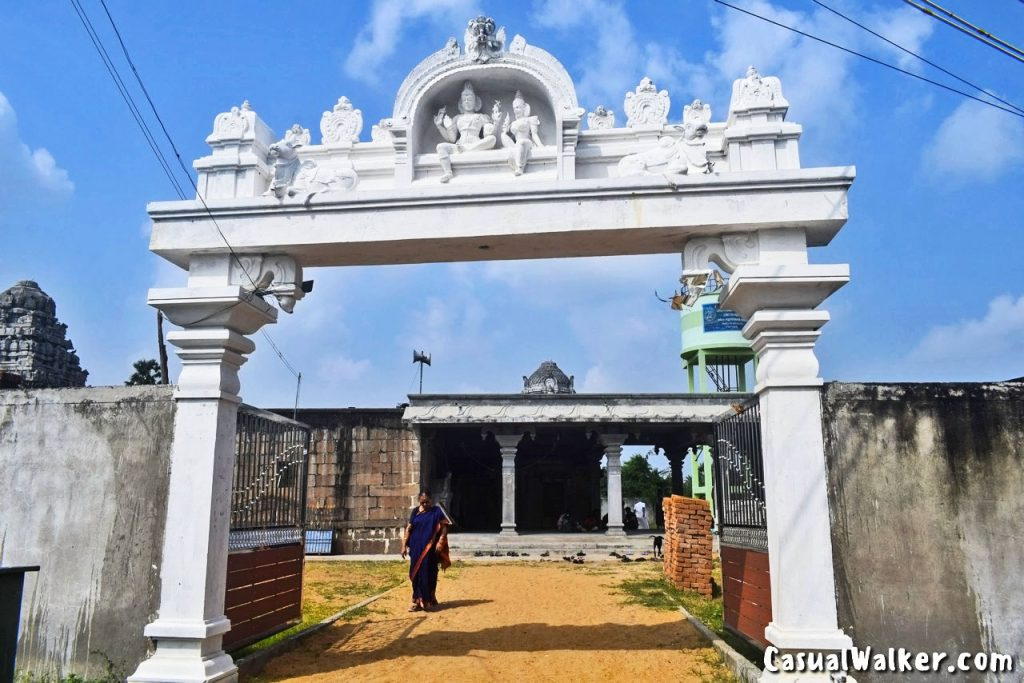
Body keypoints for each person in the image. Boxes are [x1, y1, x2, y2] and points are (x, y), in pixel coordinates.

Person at [402, 489, 451, 611]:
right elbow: (409, 529)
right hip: (416, 548)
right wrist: (403, 545)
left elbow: (444, 527)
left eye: (427, 502)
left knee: (429, 573)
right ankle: (417, 601)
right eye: (422, 502)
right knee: (415, 574)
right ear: (419, 500)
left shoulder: (436, 511)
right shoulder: (415, 512)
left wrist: (440, 542)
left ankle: (428, 599)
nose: (425, 504)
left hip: (430, 549)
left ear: (431, 500)